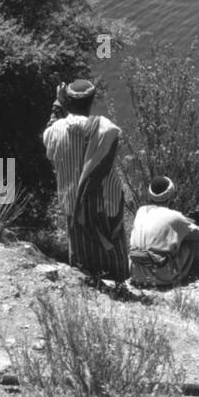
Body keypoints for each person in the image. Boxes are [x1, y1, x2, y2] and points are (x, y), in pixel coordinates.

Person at [42, 78, 128, 281]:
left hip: (73, 202)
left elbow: (49, 143)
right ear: (91, 101)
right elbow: (115, 151)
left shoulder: (55, 130)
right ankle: (119, 285)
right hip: (106, 201)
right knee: (112, 246)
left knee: (82, 248)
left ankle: (87, 281)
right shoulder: (107, 128)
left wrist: (57, 105)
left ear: (68, 102)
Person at [127, 176, 199, 288]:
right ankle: (197, 272)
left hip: (135, 272)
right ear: (170, 195)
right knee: (191, 241)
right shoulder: (175, 216)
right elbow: (198, 233)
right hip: (161, 276)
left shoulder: (141, 210)